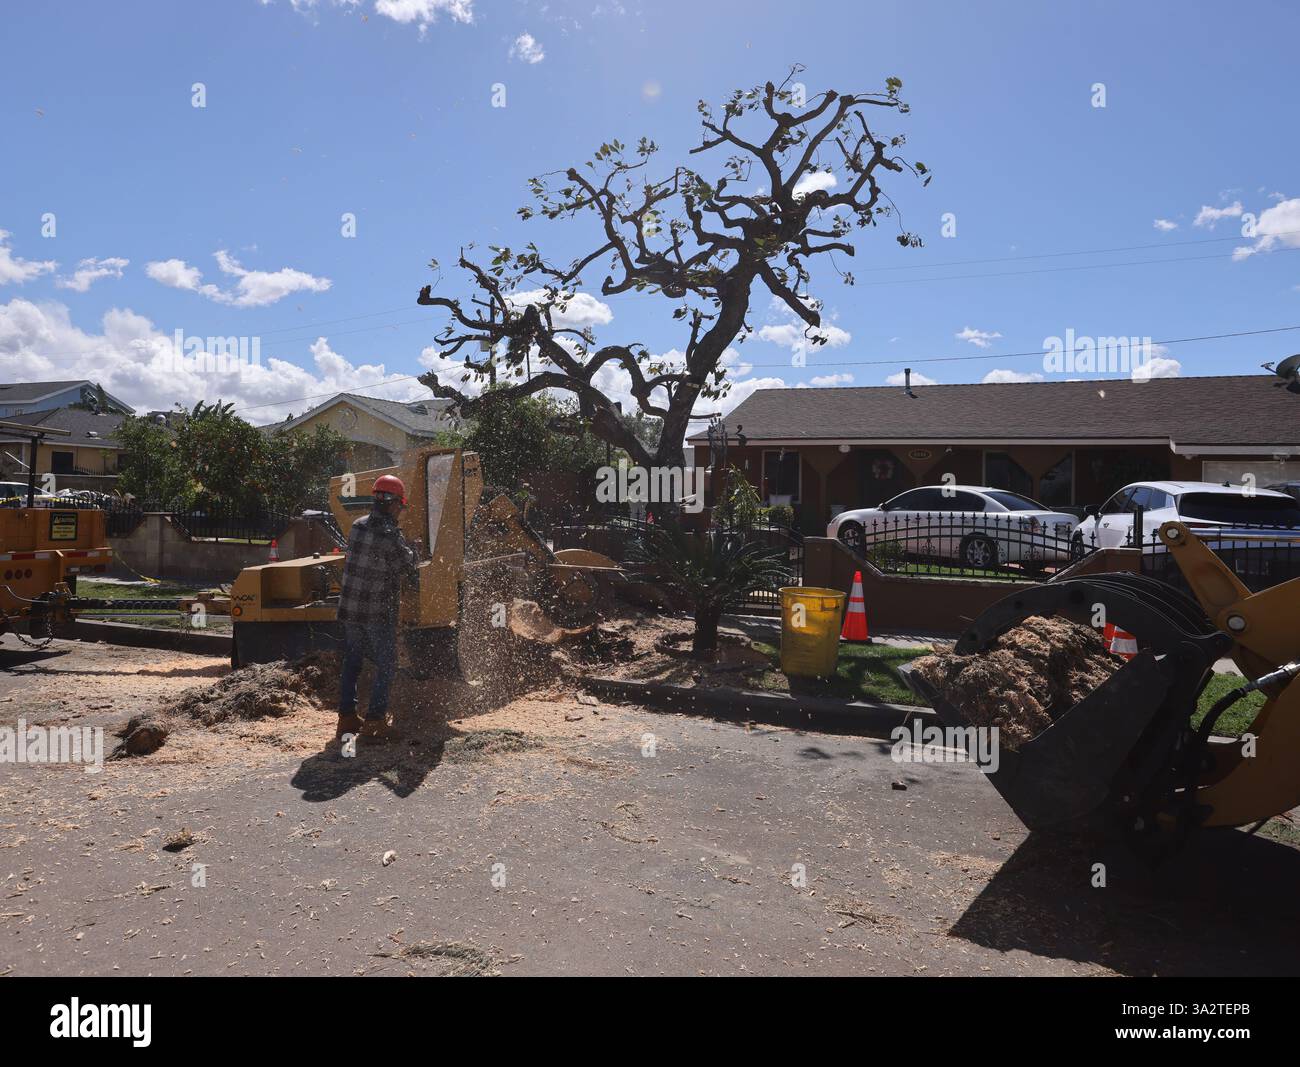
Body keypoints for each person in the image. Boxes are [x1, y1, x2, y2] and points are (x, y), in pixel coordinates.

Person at [334, 474, 419, 742]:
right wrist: (413, 549)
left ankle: (346, 719)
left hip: (349, 609)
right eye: (399, 506)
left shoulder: (357, 526)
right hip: (375, 612)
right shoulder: (390, 535)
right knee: (387, 664)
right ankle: (375, 722)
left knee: (353, 661)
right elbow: (407, 567)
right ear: (394, 504)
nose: (399, 511)